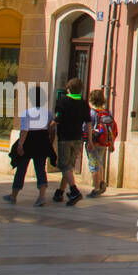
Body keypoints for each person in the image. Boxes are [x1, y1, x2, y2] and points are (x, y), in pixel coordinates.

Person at [3, 85, 53, 207]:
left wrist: (20, 144)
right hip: (42, 142)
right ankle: (42, 196)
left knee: (21, 169)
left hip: (29, 142)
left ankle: (13, 195)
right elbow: (50, 129)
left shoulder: (27, 113)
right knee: (41, 169)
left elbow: (24, 130)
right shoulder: (48, 113)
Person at [51, 78, 90, 206]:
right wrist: (89, 140)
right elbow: (88, 123)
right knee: (69, 167)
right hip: (78, 138)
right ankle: (60, 192)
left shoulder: (63, 101)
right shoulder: (84, 103)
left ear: (68, 89)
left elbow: (58, 118)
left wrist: (48, 127)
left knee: (64, 166)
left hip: (65, 138)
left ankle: (74, 191)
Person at [84, 89, 117, 197]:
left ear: (91, 99)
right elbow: (112, 128)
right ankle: (102, 183)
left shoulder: (91, 113)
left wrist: (89, 141)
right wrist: (111, 143)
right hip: (103, 143)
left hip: (93, 143)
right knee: (100, 162)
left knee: (94, 165)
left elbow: (86, 128)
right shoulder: (107, 112)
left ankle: (96, 188)